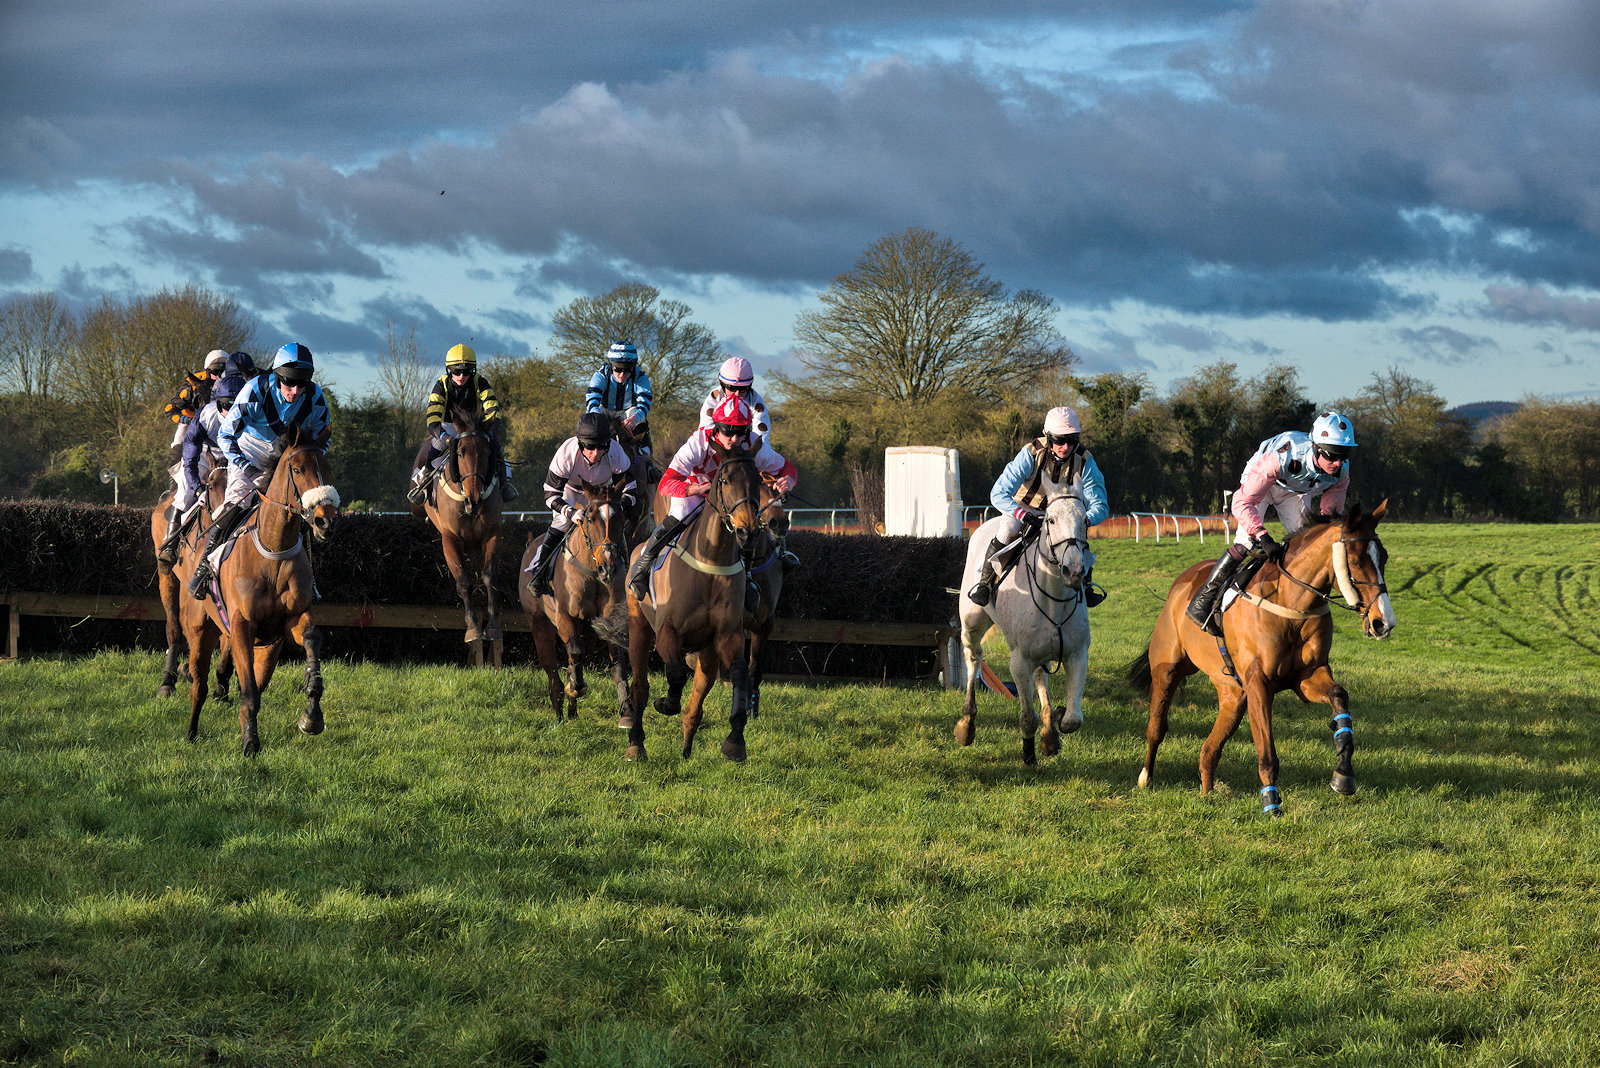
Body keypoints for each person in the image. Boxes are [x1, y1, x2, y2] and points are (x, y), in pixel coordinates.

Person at [1185, 410, 1357, 635]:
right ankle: (1204, 600)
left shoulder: (1341, 473)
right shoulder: (1281, 457)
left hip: (1293, 492)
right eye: (1332, 455)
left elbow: (1329, 515)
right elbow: (1242, 502)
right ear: (1315, 447)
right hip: (1261, 483)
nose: (1337, 463)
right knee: (1247, 541)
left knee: (1308, 545)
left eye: (1344, 455)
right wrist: (1263, 537)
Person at [189, 343, 332, 599]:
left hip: (289, 457)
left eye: (302, 384)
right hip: (250, 450)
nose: (295, 391)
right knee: (235, 505)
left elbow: (322, 441)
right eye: (289, 383)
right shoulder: (255, 391)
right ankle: (204, 569)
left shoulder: (316, 398)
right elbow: (225, 436)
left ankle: (307, 576)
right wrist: (246, 468)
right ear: (277, 376)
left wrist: (309, 463)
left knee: (304, 511)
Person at [627, 394, 796, 602]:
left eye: (741, 432)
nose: (735, 439)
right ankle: (643, 566)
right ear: (717, 427)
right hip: (697, 490)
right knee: (680, 513)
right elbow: (665, 484)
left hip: (730, 498)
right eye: (729, 431)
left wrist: (788, 480)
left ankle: (749, 576)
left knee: (749, 522)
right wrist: (693, 489)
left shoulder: (751, 444)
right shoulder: (698, 443)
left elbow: (786, 468)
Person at [967, 406, 1110, 608]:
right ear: (1048, 436)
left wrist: (1083, 519)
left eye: (1072, 440)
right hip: (1024, 507)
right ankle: (985, 584)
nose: (1066, 447)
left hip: (1061, 512)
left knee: (1076, 536)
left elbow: (1100, 505)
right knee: (1007, 531)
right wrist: (1022, 515)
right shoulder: (1030, 453)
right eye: (1060, 440)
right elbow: (998, 493)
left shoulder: (1086, 461)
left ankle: (1086, 586)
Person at [523, 412, 638, 597]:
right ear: (580, 443)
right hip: (569, 490)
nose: (596, 453)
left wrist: (619, 507)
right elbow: (550, 495)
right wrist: (570, 513)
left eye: (601, 447)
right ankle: (539, 573)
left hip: (601, 494)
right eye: (590, 447)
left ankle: (630, 572)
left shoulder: (616, 452)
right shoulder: (566, 453)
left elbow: (631, 489)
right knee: (562, 523)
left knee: (612, 525)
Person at [408, 343, 518, 503]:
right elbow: (432, 419)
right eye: (456, 371)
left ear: (472, 371)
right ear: (449, 371)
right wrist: (445, 437)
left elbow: (493, 410)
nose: (461, 376)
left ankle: (504, 485)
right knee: (436, 446)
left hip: (475, 428)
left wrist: (490, 430)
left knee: (495, 445)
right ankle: (424, 484)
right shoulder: (441, 385)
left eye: (466, 372)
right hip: (448, 426)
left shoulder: (480, 382)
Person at [157, 370, 245, 565]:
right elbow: (189, 459)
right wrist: (197, 489)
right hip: (205, 452)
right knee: (186, 491)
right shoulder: (206, 412)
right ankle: (169, 544)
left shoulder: (249, 410)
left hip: (234, 454)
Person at [163, 349, 229, 464]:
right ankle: (173, 479)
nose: (220, 376)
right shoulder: (193, 383)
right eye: (216, 372)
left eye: (223, 372)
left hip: (221, 423)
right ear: (207, 370)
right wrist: (189, 420)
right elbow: (169, 411)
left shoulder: (232, 383)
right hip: (191, 422)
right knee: (177, 452)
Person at [697, 356, 771, 441]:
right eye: (732, 388)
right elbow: (705, 434)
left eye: (743, 389)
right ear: (722, 385)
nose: (737, 394)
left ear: (749, 387)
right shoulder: (714, 398)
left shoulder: (756, 402)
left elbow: (761, 439)